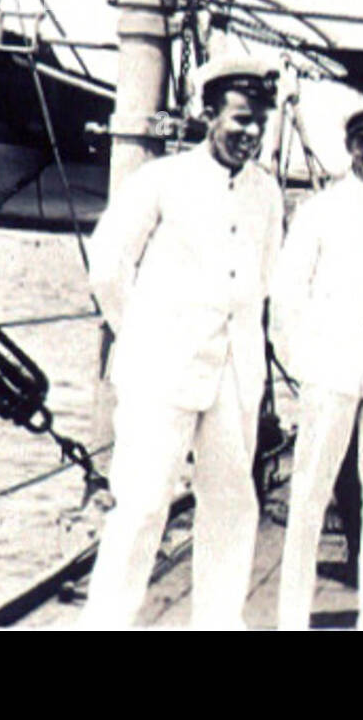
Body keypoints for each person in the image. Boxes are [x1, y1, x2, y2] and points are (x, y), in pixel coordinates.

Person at [79, 57, 284, 629]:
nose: (250, 133)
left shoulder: (266, 194)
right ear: (207, 113)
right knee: (143, 506)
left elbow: (266, 281)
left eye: (259, 124)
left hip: (233, 374)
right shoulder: (162, 180)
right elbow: (107, 266)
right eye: (240, 119)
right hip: (160, 370)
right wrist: (140, 335)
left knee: (232, 506)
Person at [271, 97, 363, 630]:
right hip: (330, 372)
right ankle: (291, 617)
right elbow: (287, 297)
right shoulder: (320, 212)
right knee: (310, 495)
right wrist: (306, 364)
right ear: (350, 146)